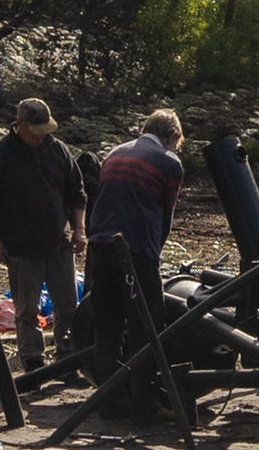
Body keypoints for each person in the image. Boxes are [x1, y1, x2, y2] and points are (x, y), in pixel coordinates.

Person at [79, 107, 187, 418]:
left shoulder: (115, 152)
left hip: (100, 245)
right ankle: (144, 404)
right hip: (135, 249)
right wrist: (154, 253)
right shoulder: (169, 162)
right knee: (146, 325)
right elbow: (165, 215)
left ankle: (109, 404)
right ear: (171, 136)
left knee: (107, 327)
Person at [0, 99, 86, 382]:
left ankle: (67, 359)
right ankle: (33, 361)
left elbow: (77, 194)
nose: (39, 136)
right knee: (26, 308)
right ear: (19, 124)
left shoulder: (58, 150)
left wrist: (79, 229)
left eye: (43, 130)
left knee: (68, 305)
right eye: (34, 130)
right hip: (20, 246)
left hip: (58, 244)